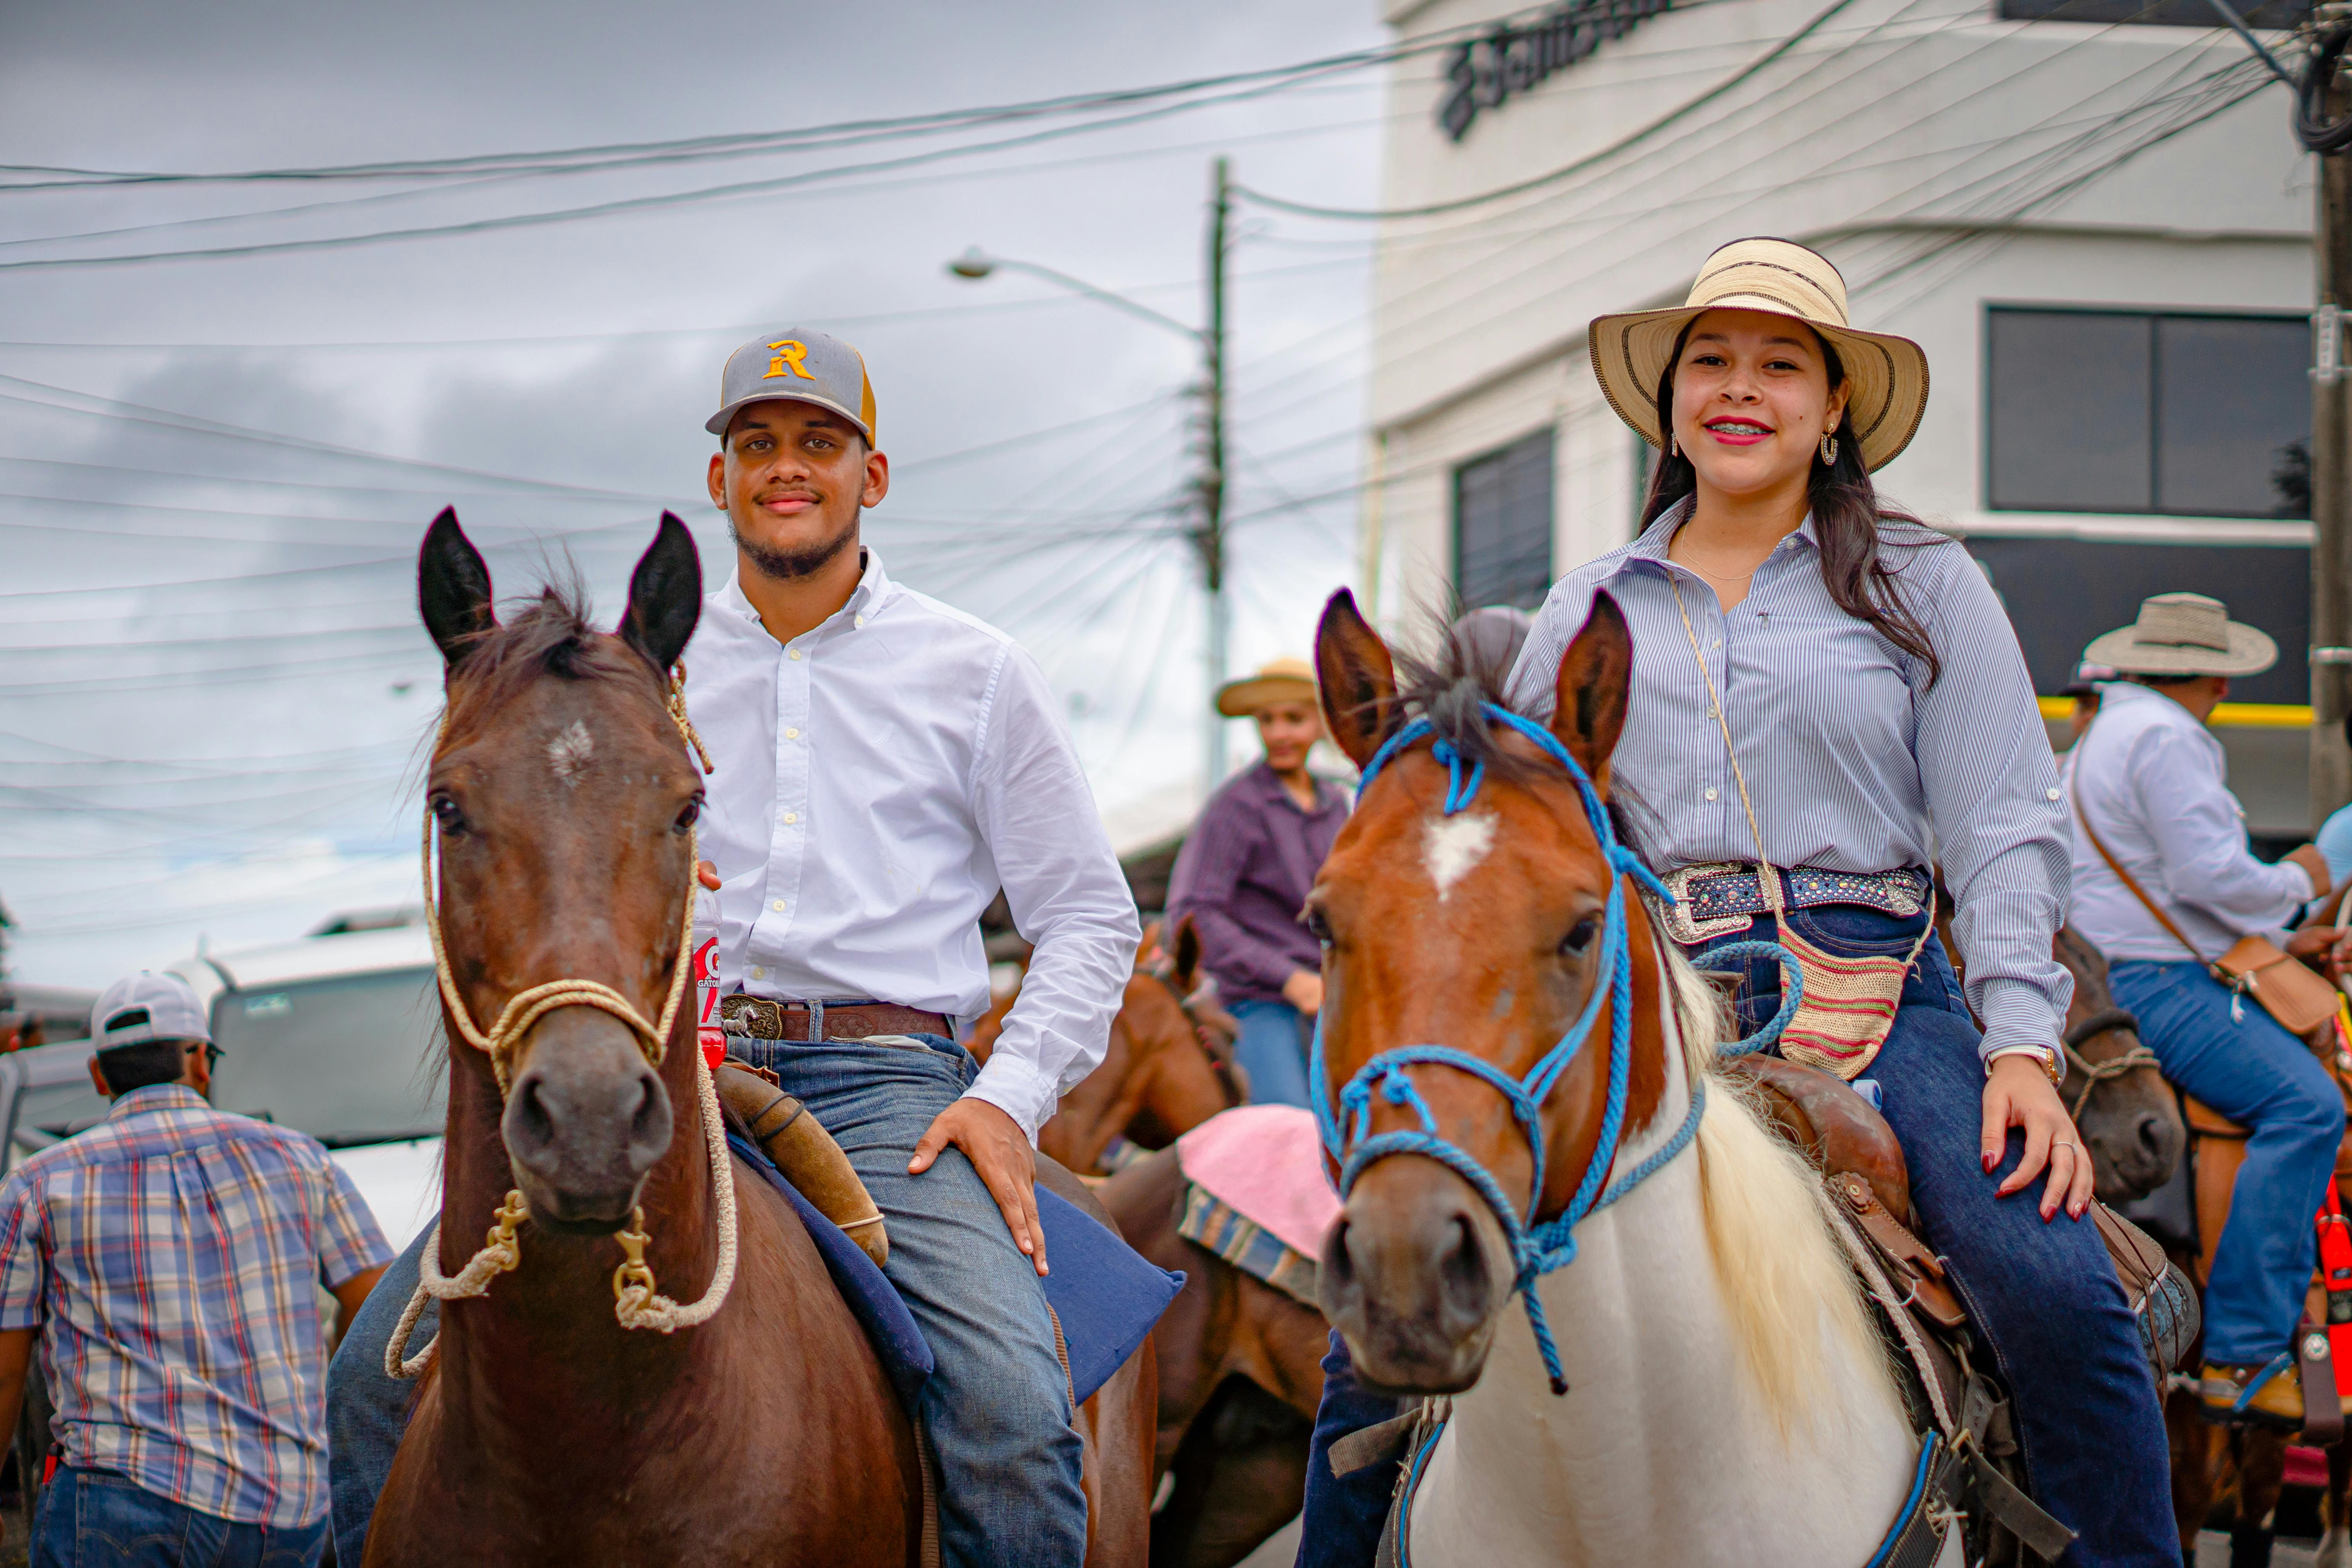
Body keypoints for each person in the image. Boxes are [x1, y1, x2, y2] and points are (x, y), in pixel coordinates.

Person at [1297, 238, 2174, 1566]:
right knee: (1376, 1328)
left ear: (1834, 413)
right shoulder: (1585, 607)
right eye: (1711, 361)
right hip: (1651, 1014)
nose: (1740, 389)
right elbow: (1517, 855)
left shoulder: (1928, 586)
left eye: (1781, 365)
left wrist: (2020, 1052)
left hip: (1888, 1007)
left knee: (2056, 1297)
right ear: (1670, 402)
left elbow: (2005, 834)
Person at [2065, 593, 2346, 1428]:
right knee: (2309, 1103)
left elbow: (2165, 886)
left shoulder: (2102, 734)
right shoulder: (2169, 738)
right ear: (2217, 676)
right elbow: (2212, 878)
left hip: (2109, 970)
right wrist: (2302, 880)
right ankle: (2248, 1349)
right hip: (2155, 982)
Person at [0, 972, 390, 1566]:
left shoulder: (37, 1185)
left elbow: (5, 1371)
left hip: (122, 1503)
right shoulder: (301, 1158)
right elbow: (382, 1308)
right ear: (201, 1062)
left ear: (99, 1076)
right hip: (287, 1509)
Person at [1166, 657, 1348, 1108]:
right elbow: (1194, 913)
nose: (1279, 733)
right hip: (1261, 1004)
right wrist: (1290, 979)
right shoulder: (1237, 806)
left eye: (1294, 718)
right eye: (1266, 720)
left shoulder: (1338, 806)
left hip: (1337, 999)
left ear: (1322, 724)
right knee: (1289, 1127)